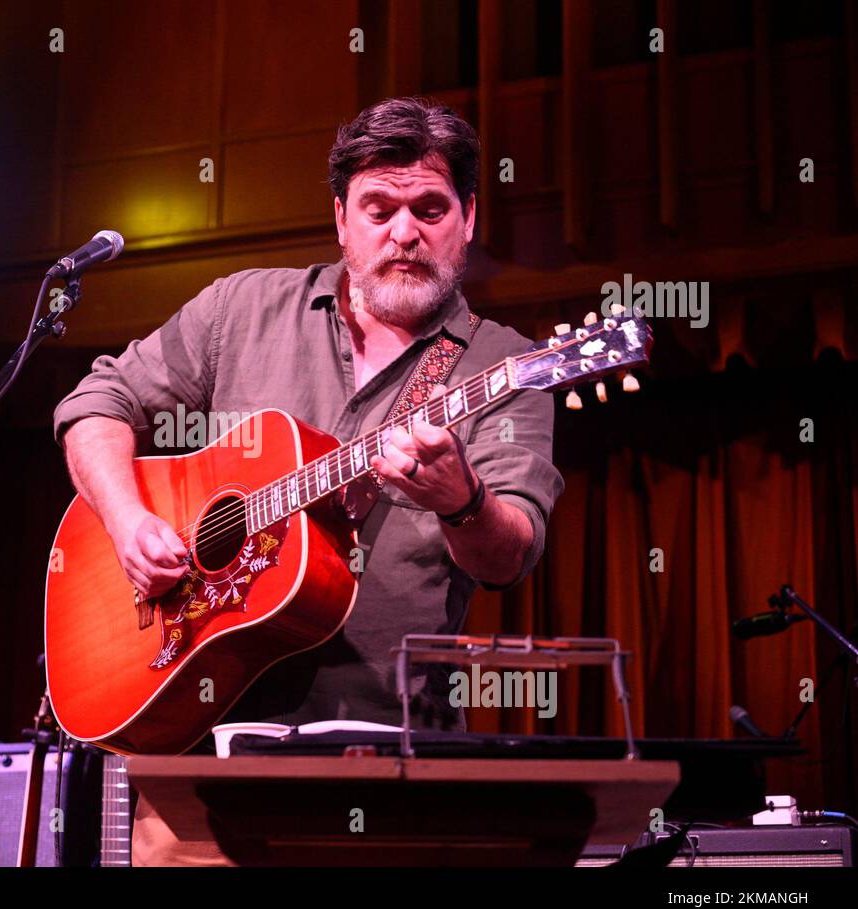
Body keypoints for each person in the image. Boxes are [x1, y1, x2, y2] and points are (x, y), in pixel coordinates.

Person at [52, 97, 564, 864]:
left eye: (429, 207)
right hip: (200, 769)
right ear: (341, 218)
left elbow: (510, 552)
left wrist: (463, 502)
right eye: (378, 207)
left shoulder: (505, 367)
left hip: (390, 769)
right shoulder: (241, 308)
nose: (404, 231)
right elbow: (96, 402)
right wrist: (127, 523)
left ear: (467, 218)